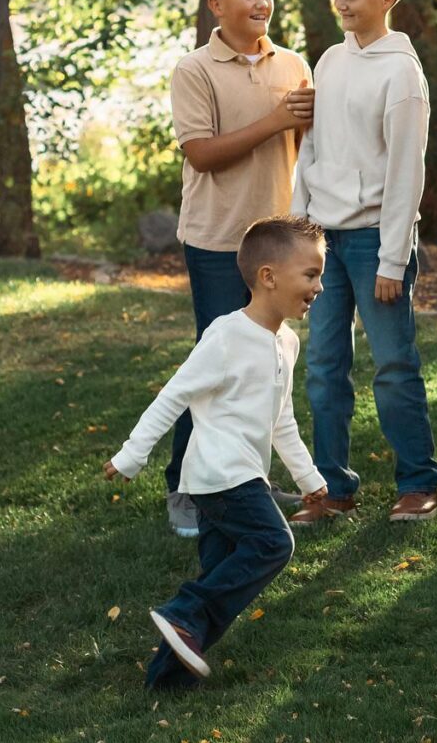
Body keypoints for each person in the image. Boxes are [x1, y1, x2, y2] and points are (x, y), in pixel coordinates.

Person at [104, 216, 329, 688]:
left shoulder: (286, 342)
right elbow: (174, 395)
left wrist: (308, 476)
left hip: (242, 475)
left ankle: (167, 679)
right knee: (273, 544)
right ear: (268, 276)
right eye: (310, 274)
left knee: (221, 573)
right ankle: (183, 609)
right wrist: (131, 455)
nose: (320, 286)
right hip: (220, 476)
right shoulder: (226, 336)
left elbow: (280, 418)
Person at [288, 0, 437, 527]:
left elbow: (407, 173)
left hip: (376, 240)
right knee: (324, 366)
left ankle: (419, 483)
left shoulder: (403, 74)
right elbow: (313, 151)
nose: (340, 3)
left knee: (393, 365)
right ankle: (333, 489)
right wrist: (301, 229)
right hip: (323, 240)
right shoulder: (329, 61)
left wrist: (392, 260)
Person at [166, 0, 313, 538]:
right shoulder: (194, 70)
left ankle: (248, 480)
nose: (262, 3)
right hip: (218, 241)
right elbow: (200, 153)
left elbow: (307, 148)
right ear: (217, 5)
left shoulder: (294, 64)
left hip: (279, 245)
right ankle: (183, 487)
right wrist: (277, 121)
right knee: (214, 366)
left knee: (267, 369)